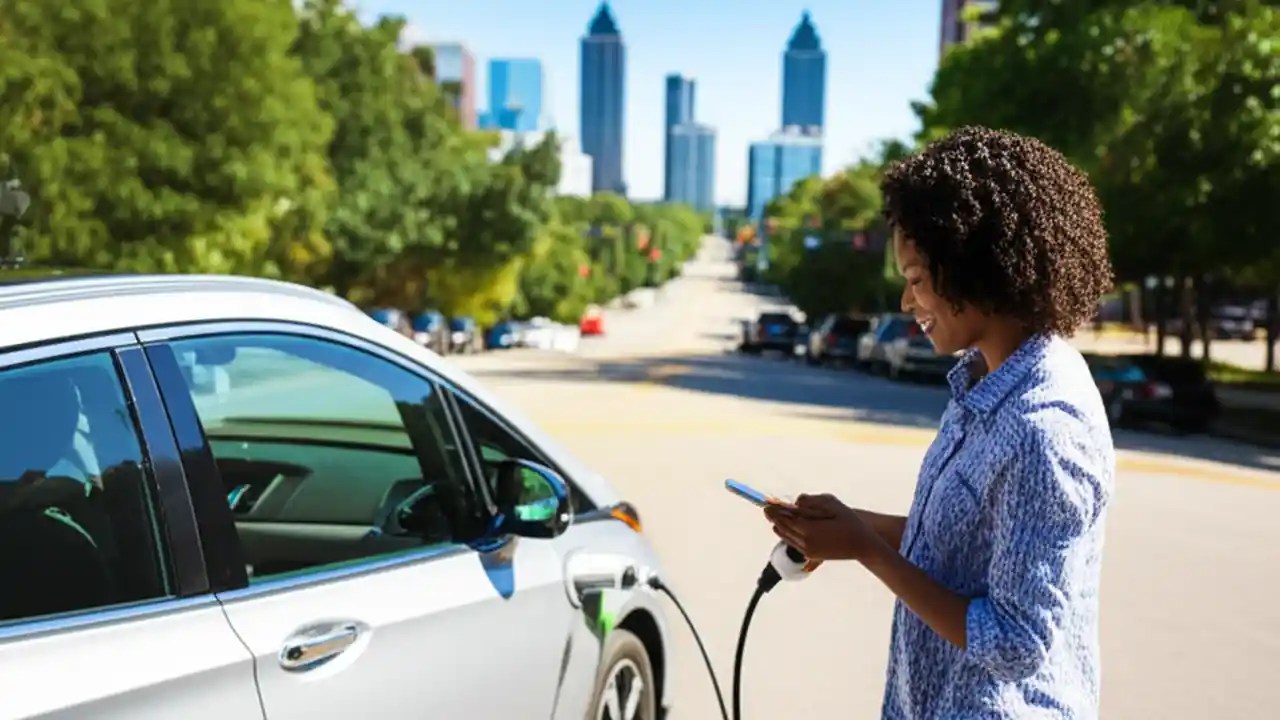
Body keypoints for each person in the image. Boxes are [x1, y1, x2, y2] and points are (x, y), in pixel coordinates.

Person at [765, 126, 1116, 719]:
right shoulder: (983, 379)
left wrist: (869, 551)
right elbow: (969, 544)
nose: (907, 304)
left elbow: (1015, 642)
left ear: (975, 269)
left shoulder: (1046, 429)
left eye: (917, 280)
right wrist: (848, 530)